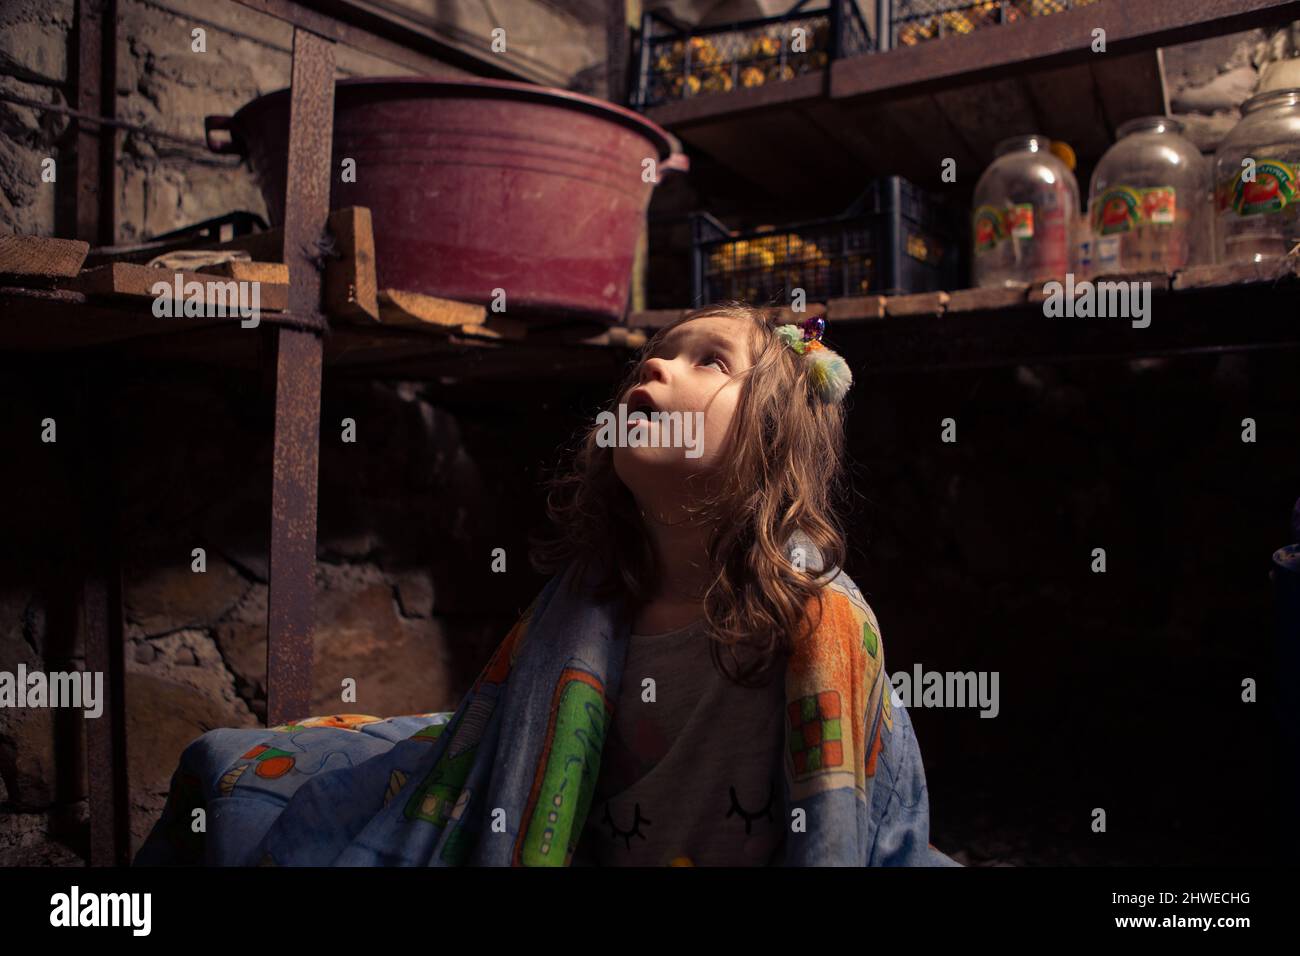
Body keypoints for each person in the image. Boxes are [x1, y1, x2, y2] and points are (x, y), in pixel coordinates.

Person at [134, 301, 959, 867]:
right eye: (653, 355)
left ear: (775, 439)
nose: (658, 370)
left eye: (708, 361)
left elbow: (843, 823)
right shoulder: (588, 601)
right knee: (229, 765)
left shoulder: (815, 621)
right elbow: (498, 759)